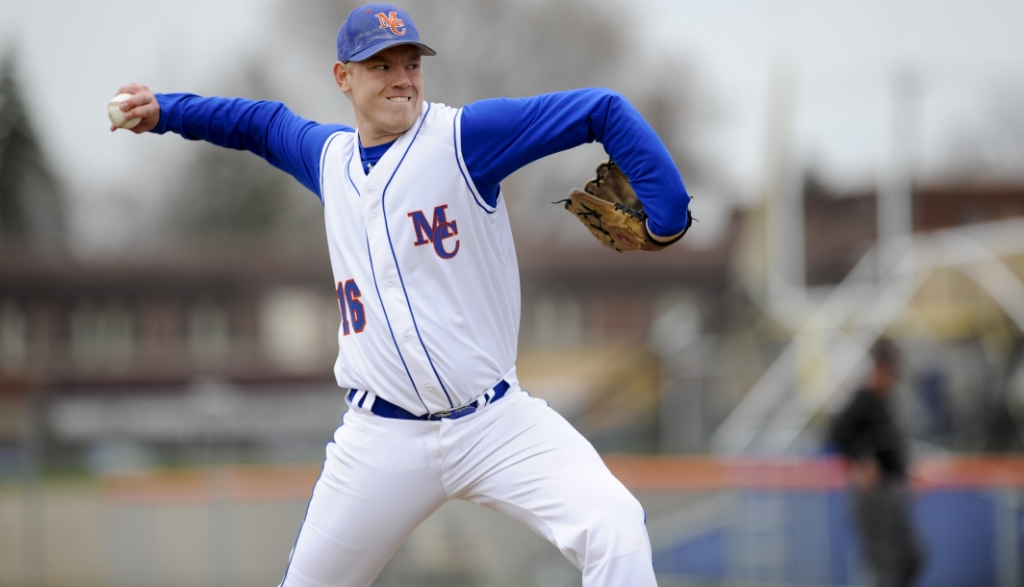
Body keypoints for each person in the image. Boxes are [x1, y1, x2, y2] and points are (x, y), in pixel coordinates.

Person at [111, 4, 691, 586]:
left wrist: (666, 216)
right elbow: (259, 123)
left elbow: (600, 109)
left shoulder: (463, 140)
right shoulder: (328, 160)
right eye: (380, 65)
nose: (401, 78)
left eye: (411, 63)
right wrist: (165, 111)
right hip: (380, 441)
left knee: (614, 526)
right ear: (344, 78)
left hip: (495, 423)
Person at [830, 339, 925, 587]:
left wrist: (903, 477)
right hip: (873, 495)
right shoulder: (864, 400)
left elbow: (889, 447)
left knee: (910, 558)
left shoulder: (883, 402)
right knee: (886, 567)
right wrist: (861, 460)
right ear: (879, 369)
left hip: (890, 490)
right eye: (890, 371)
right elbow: (836, 433)